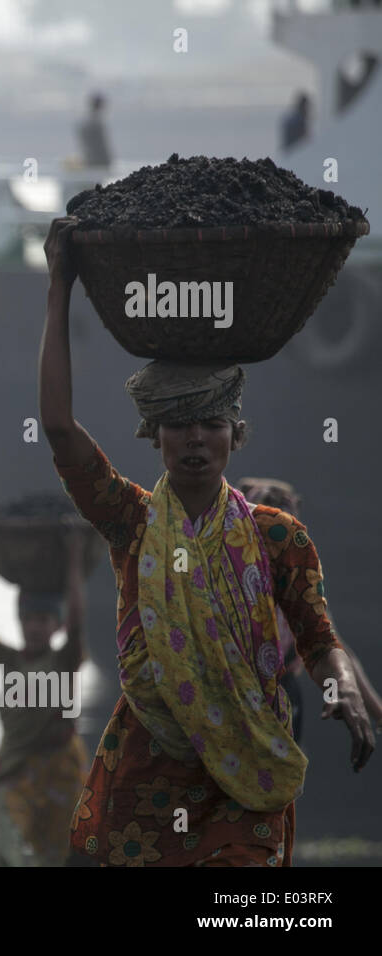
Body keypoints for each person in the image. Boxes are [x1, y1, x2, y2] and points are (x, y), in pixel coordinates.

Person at [39, 217, 374, 867]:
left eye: (212, 424)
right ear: (155, 437)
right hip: (143, 776)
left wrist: (346, 689)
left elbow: (318, 639)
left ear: (236, 436)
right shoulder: (131, 524)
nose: (196, 439)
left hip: (244, 782)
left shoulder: (279, 537)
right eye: (181, 425)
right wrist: (59, 283)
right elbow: (57, 428)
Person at [0, 525, 88, 866]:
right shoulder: (9, 659)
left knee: (64, 852)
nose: (34, 626)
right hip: (17, 766)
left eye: (43, 619)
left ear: (54, 625)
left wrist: (73, 556)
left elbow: (76, 620)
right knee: (2, 834)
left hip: (60, 771)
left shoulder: (64, 659)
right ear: (19, 620)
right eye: (28, 618)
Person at [236, 478, 382, 744]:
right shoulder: (227, 561)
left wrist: (374, 708)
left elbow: (331, 644)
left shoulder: (297, 575)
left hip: (279, 691)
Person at [77, 92, 112, 169]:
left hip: (88, 159)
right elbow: (102, 144)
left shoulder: (84, 121)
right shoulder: (96, 122)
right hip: (99, 161)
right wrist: (108, 160)